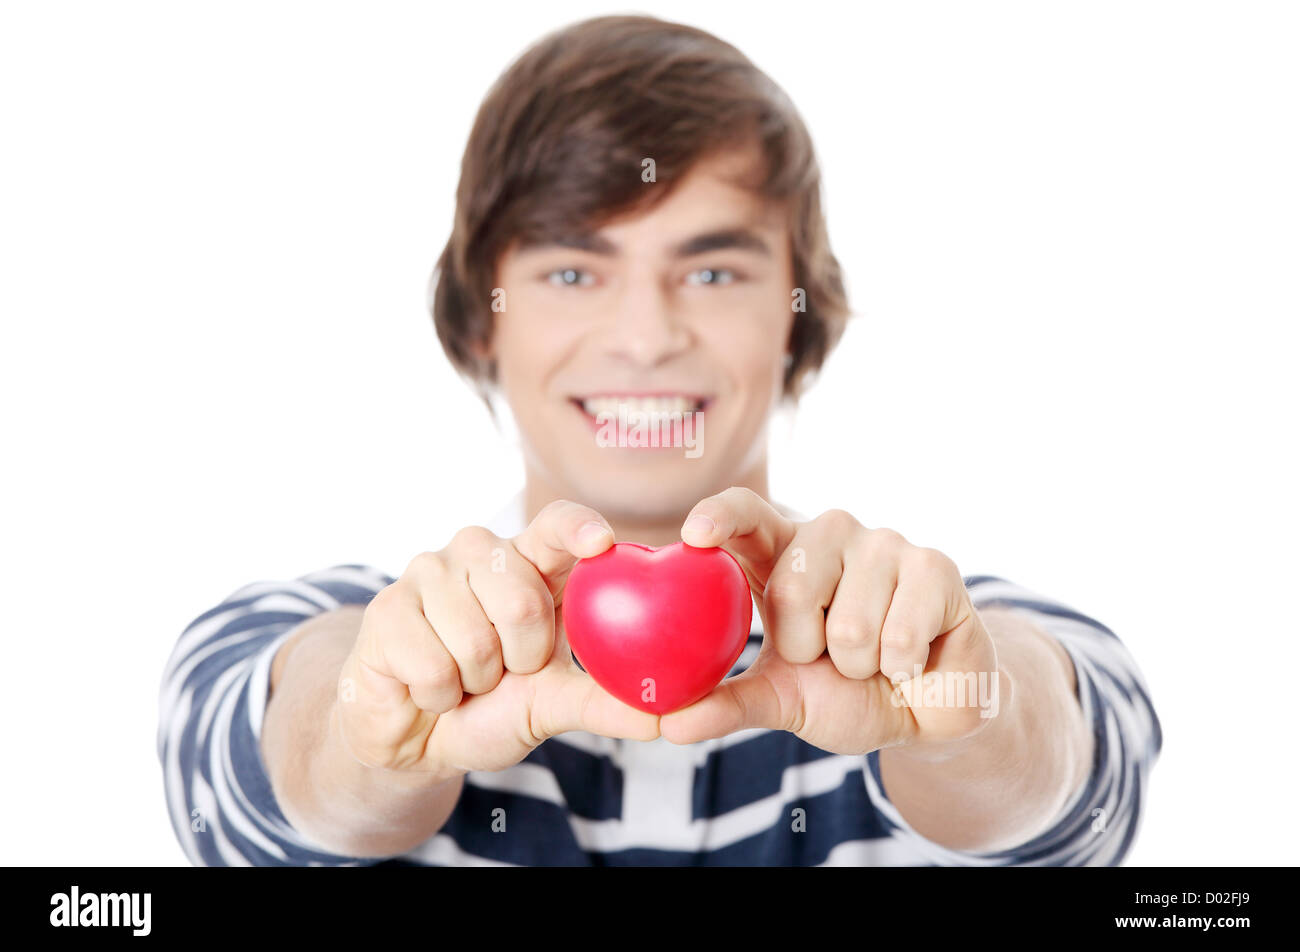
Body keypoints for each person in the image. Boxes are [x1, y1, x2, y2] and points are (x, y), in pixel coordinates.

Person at [157, 14, 1161, 866]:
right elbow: (279, 778)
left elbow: (1065, 772)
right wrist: (365, 733)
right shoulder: (323, 628)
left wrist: (965, 714)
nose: (645, 337)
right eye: (571, 272)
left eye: (713, 272)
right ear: (479, 319)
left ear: (797, 320)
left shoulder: (942, 628)